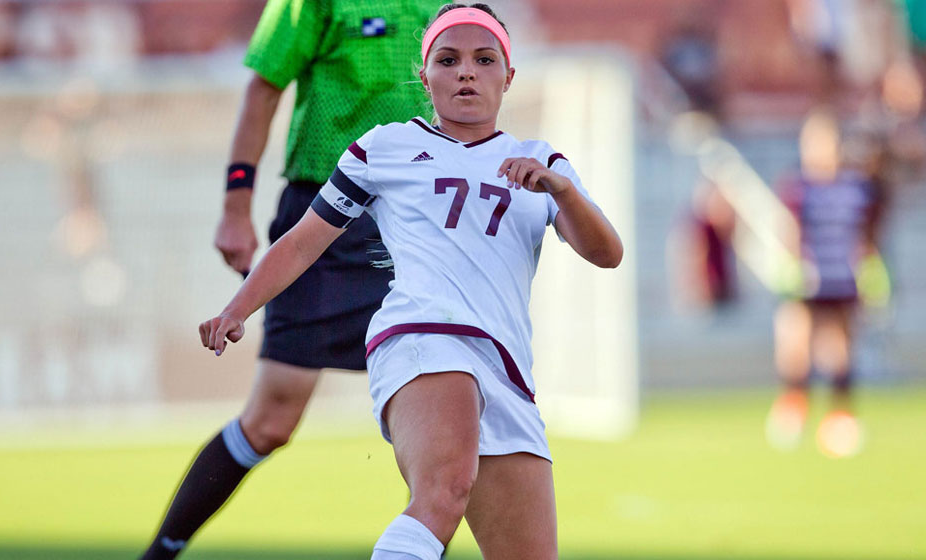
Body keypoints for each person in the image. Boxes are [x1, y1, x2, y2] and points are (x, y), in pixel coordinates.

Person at [199, 4, 623, 558]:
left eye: (483, 59)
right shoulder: (385, 147)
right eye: (448, 60)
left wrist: (561, 191)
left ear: (508, 75)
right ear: (425, 78)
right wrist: (237, 308)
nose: (466, 71)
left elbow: (607, 253)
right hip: (424, 337)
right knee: (443, 492)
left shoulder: (539, 162)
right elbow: (303, 241)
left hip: (507, 367)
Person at [140, 1, 443, 558]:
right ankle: (160, 552)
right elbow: (263, 88)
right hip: (322, 220)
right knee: (271, 420)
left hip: (417, 224)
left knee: (440, 428)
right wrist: (236, 206)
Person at [766, 110, 885, 459]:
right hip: (808, 277)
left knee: (839, 348)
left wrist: (872, 268)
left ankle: (840, 417)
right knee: (794, 342)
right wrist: (790, 264)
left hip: (843, 277)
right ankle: (793, 408)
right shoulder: (797, 187)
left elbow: (868, 233)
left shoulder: (857, 187)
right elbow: (788, 230)